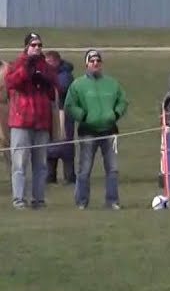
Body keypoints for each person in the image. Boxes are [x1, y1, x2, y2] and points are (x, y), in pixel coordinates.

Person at [64, 50, 128, 210]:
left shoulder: (112, 84)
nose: (95, 63)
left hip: (109, 131)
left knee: (112, 169)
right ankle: (81, 202)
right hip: (88, 132)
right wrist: (83, 116)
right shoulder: (78, 85)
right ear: (86, 64)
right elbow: (70, 105)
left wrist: (116, 114)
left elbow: (123, 101)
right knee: (84, 169)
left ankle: (112, 201)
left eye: (98, 61)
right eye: (92, 61)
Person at [6, 33, 57, 209]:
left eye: (39, 45)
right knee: (19, 163)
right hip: (21, 121)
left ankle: (39, 199)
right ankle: (19, 199)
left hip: (41, 121)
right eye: (33, 45)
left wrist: (46, 81)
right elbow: (11, 83)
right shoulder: (17, 64)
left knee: (40, 164)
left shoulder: (46, 66)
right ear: (26, 47)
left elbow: (54, 89)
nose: (37, 48)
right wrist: (26, 70)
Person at [44, 50, 75, 185]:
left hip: (63, 112)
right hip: (49, 112)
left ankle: (69, 175)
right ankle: (50, 175)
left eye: (50, 62)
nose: (48, 65)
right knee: (50, 144)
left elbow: (62, 88)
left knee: (65, 144)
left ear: (57, 61)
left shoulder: (65, 75)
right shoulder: (47, 74)